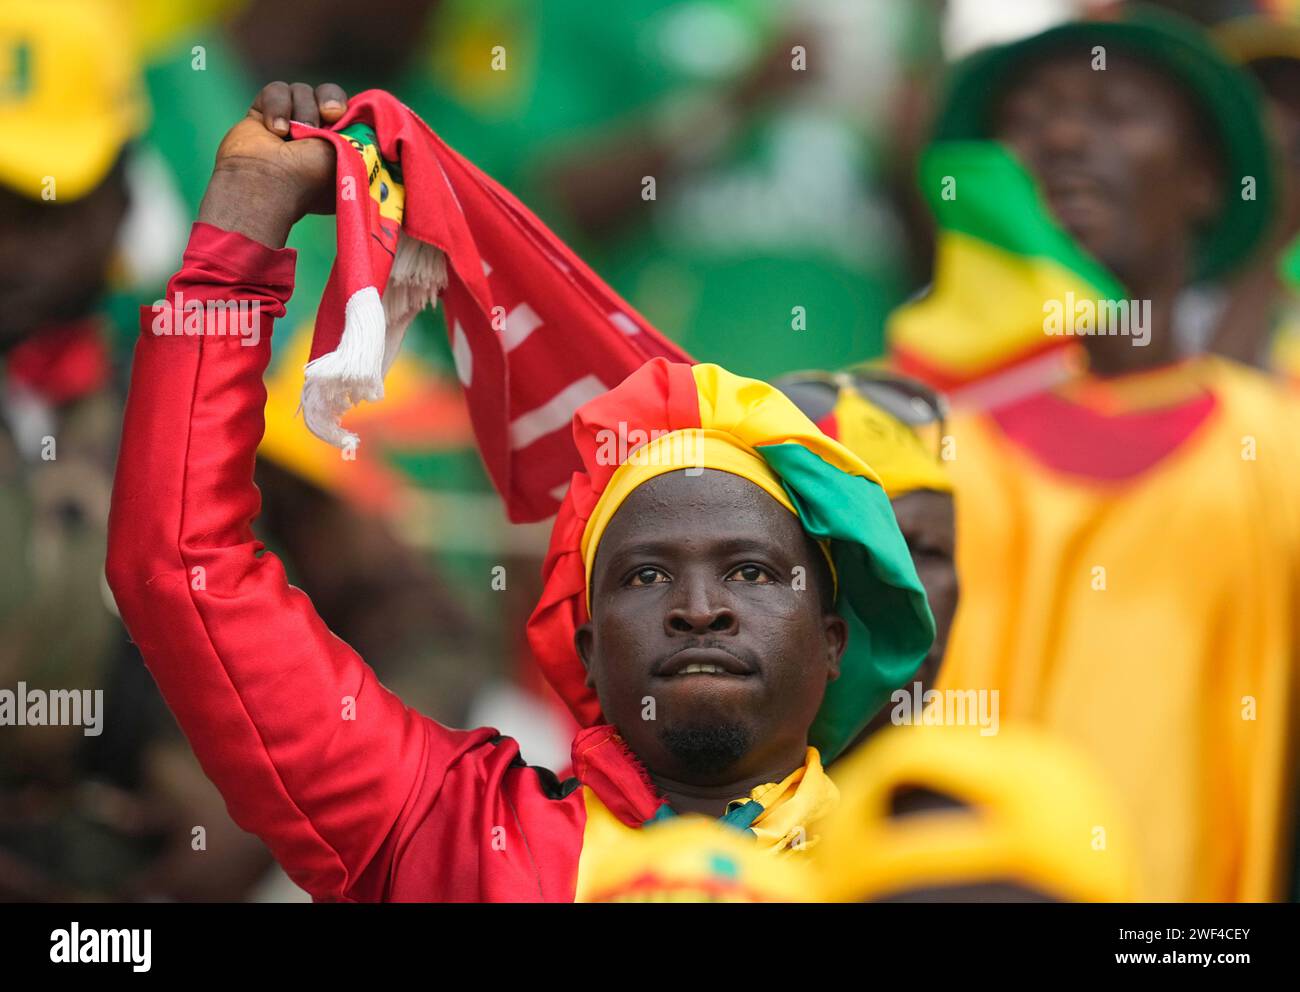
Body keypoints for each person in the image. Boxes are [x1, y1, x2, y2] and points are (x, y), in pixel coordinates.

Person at [105, 82, 933, 902]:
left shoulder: (935, 867)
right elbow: (183, 566)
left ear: (831, 638)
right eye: (644, 575)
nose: (698, 609)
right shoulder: (455, 837)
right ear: (585, 647)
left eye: (750, 572)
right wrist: (238, 239)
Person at [907, 9, 1300, 900]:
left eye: (1118, 110)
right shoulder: (888, 428)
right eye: (1027, 119)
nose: (1066, 137)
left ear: (1204, 182)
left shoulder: (1280, 444)